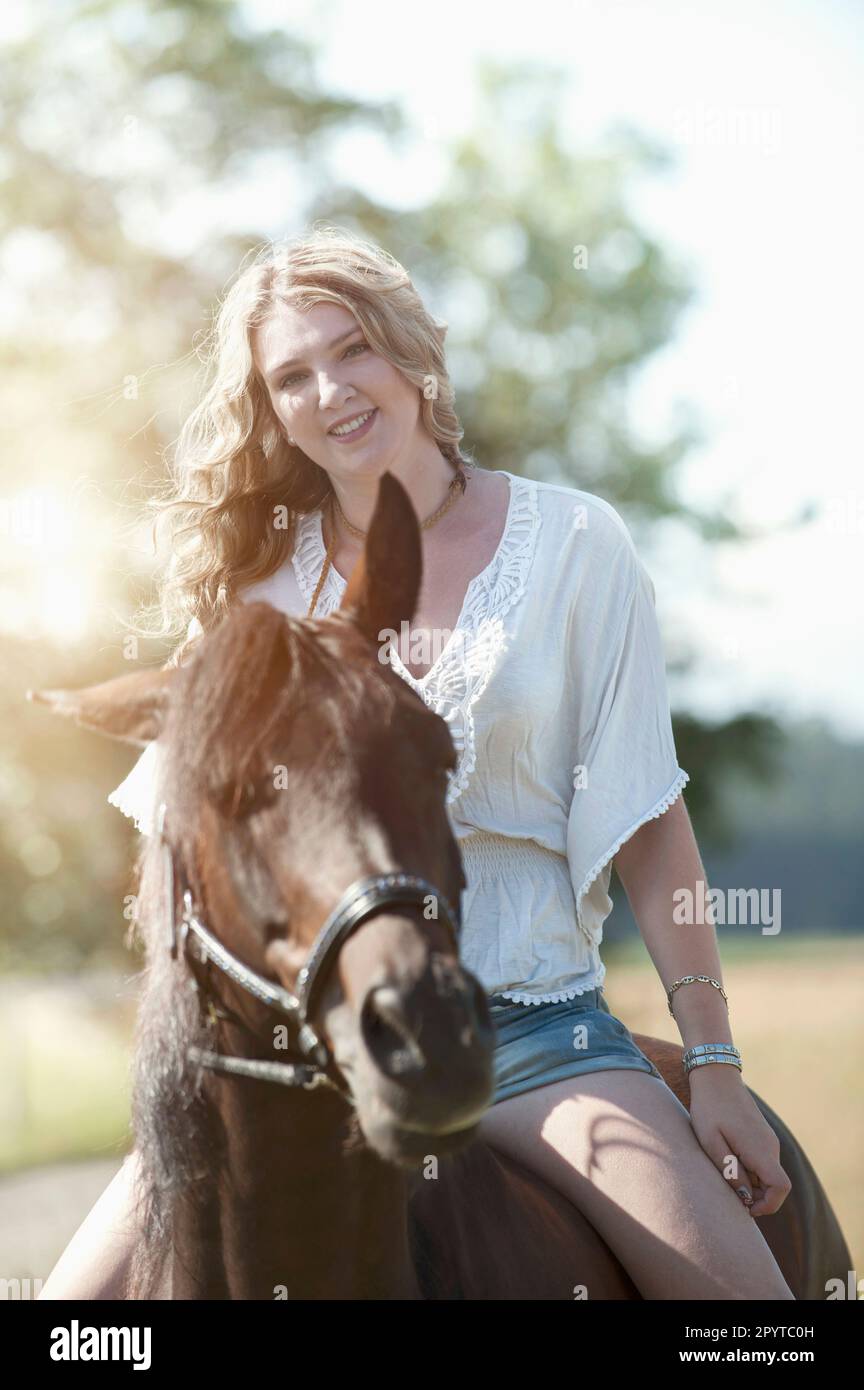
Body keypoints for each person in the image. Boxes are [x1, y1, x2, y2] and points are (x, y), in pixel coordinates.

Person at [40, 227, 793, 1301]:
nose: (331, 392)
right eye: (291, 376)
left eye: (351, 351)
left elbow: (647, 824)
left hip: (530, 1035)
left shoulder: (578, 547)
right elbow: (184, 857)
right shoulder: (250, 597)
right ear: (269, 408)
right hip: (297, 1066)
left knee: (748, 1322)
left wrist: (711, 1061)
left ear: (413, 350)